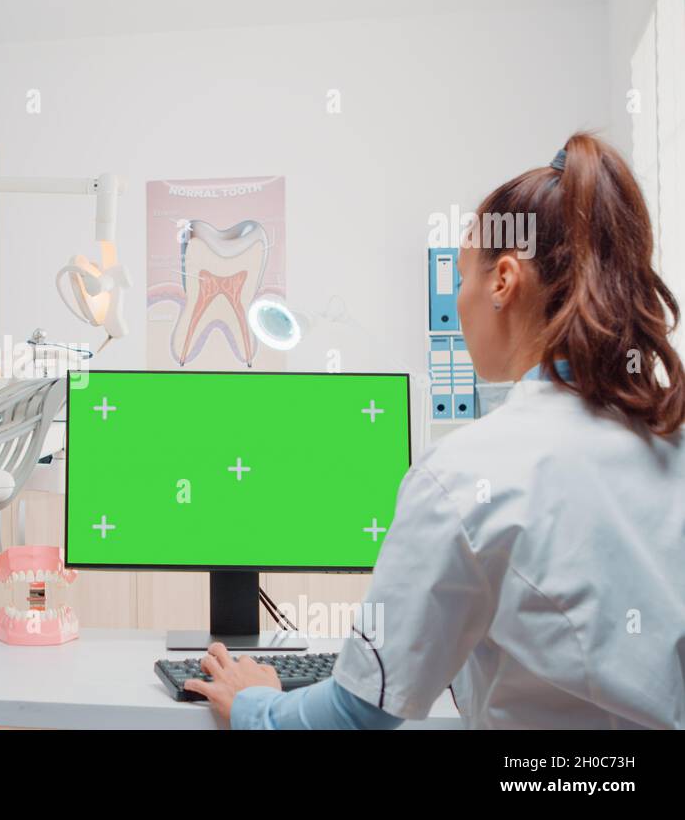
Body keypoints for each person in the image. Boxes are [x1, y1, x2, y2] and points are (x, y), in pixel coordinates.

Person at [186, 132, 685, 729]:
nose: (459, 297)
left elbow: (354, 719)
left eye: (460, 275)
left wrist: (253, 702)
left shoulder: (468, 472)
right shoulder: (668, 445)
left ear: (503, 280)